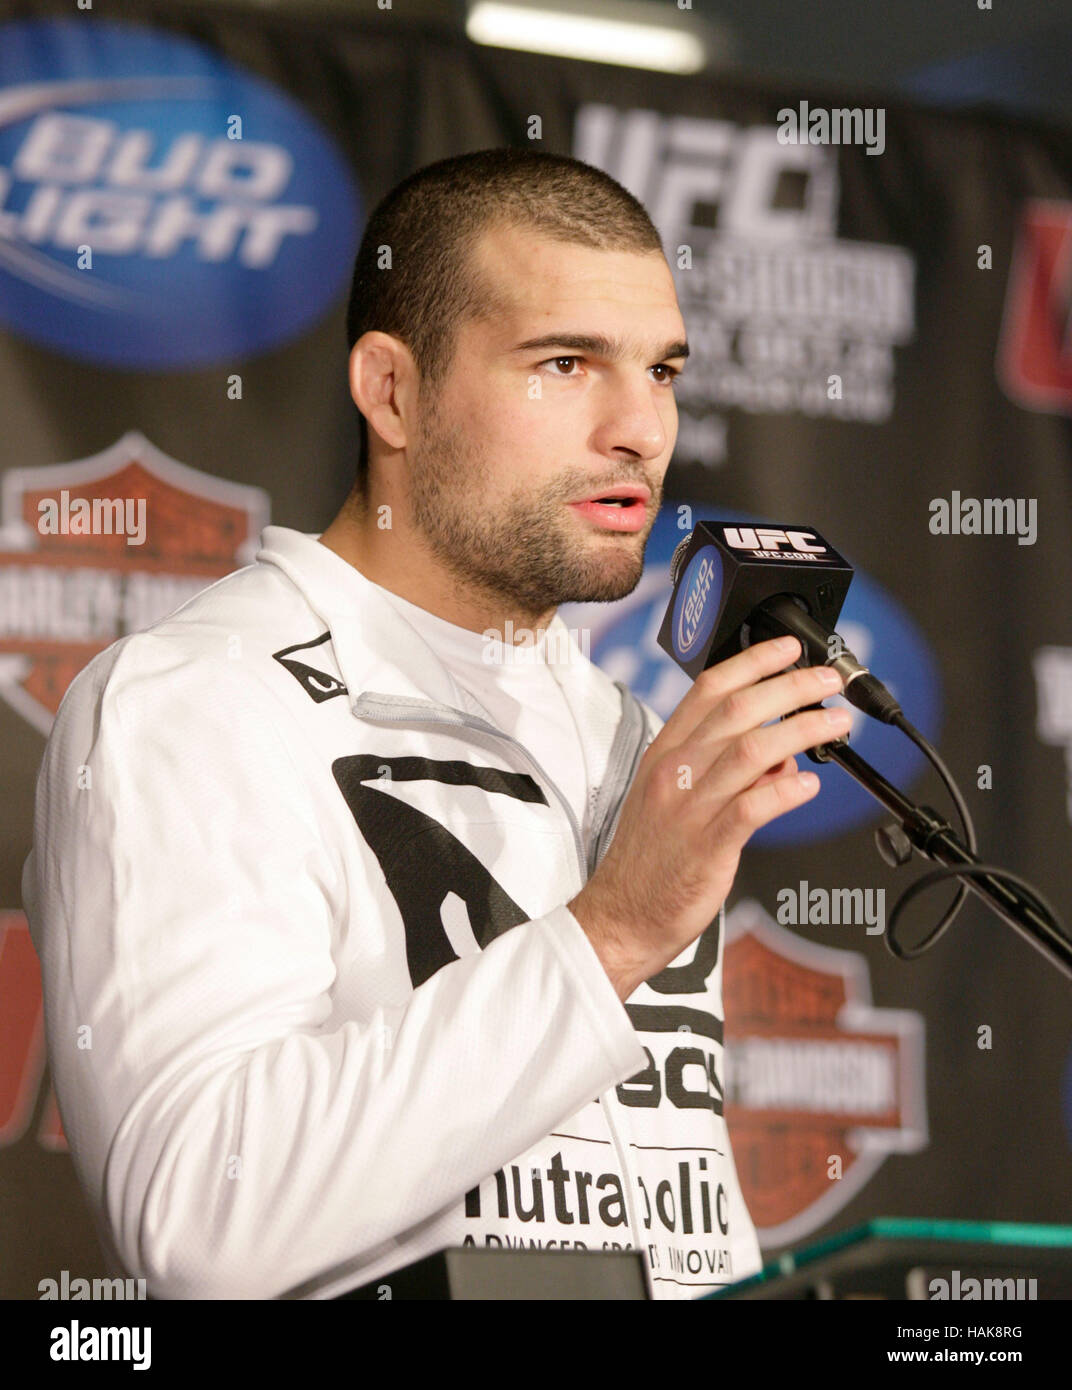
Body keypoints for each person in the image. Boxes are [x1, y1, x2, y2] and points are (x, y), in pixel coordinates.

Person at [22, 148, 848, 1300]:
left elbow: (671, 1198)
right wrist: (609, 934)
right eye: (565, 363)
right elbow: (198, 1213)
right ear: (392, 392)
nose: (640, 430)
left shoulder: (623, 729)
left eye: (661, 370)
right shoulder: (195, 699)